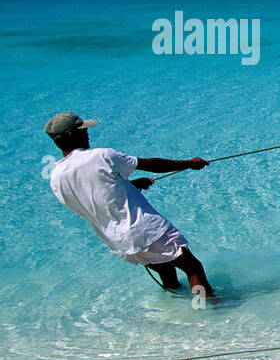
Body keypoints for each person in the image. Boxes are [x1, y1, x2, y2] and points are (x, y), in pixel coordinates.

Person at [45, 112, 215, 299]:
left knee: (166, 272)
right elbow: (152, 164)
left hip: (121, 242)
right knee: (192, 268)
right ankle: (209, 311)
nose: (88, 133)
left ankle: (175, 312)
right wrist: (189, 163)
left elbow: (93, 200)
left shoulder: (56, 177)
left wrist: (130, 185)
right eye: (83, 130)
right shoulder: (101, 156)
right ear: (71, 135)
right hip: (146, 230)